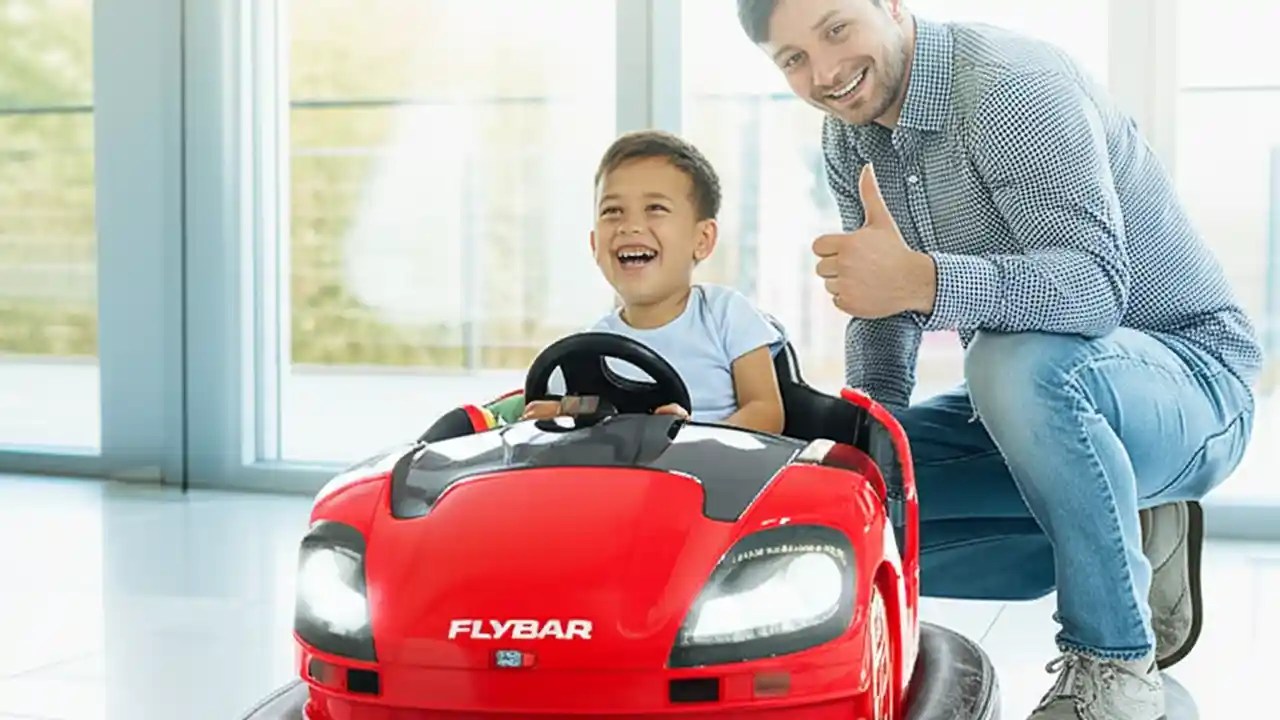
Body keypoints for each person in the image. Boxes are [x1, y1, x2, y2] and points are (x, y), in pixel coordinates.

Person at [737, 1, 1261, 718]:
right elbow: (882, 303)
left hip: (1193, 385)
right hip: (1046, 409)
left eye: (836, 29)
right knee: (834, 489)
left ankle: (1115, 662)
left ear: (890, 5)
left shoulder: (1009, 89)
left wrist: (924, 280)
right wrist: (872, 444)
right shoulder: (849, 138)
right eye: (792, 59)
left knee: (1010, 364)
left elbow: (1094, 290)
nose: (824, 72)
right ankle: (1123, 546)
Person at [521, 130, 787, 434]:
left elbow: (766, 412)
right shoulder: (589, 348)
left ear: (702, 239)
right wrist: (561, 409)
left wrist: (692, 439)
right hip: (624, 477)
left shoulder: (726, 314)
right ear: (594, 244)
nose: (629, 226)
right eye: (612, 211)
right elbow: (595, 408)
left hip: (718, 474)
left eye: (655, 209)